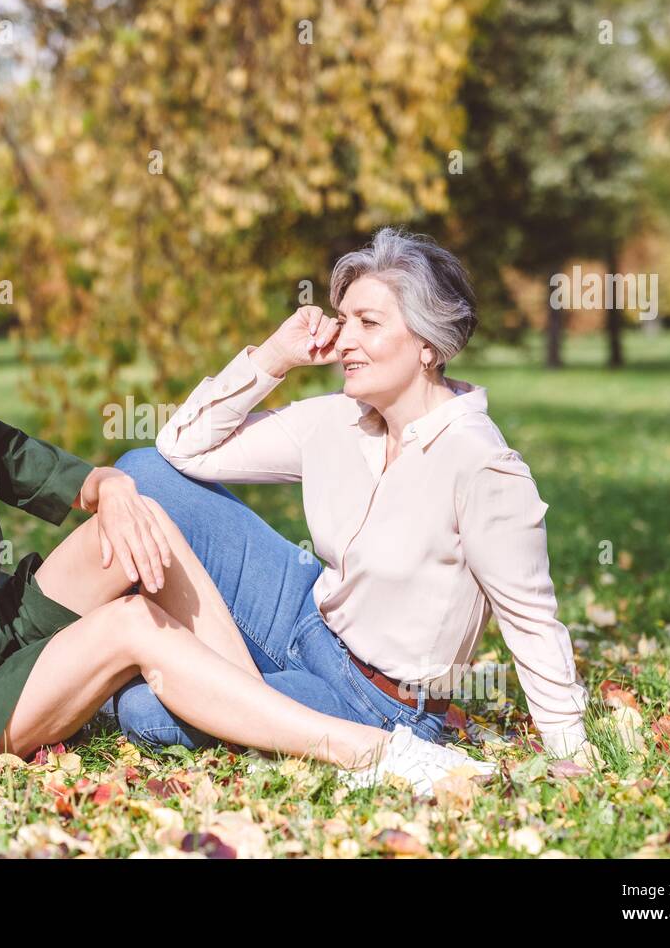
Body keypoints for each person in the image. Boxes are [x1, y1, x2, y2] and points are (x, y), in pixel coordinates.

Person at [0, 240, 491, 797]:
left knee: (142, 510)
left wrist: (118, 493)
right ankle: (369, 753)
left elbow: (76, 479)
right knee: (132, 625)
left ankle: (243, 701)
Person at [104, 227, 593, 765]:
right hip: (304, 617)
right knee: (141, 475)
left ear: (428, 345)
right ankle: (241, 689)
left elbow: (530, 618)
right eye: (344, 320)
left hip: (379, 704)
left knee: (144, 711)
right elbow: (180, 450)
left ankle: (234, 690)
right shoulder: (337, 419)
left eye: (369, 323)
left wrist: (570, 750)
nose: (344, 341)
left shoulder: (480, 464)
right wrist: (275, 357)